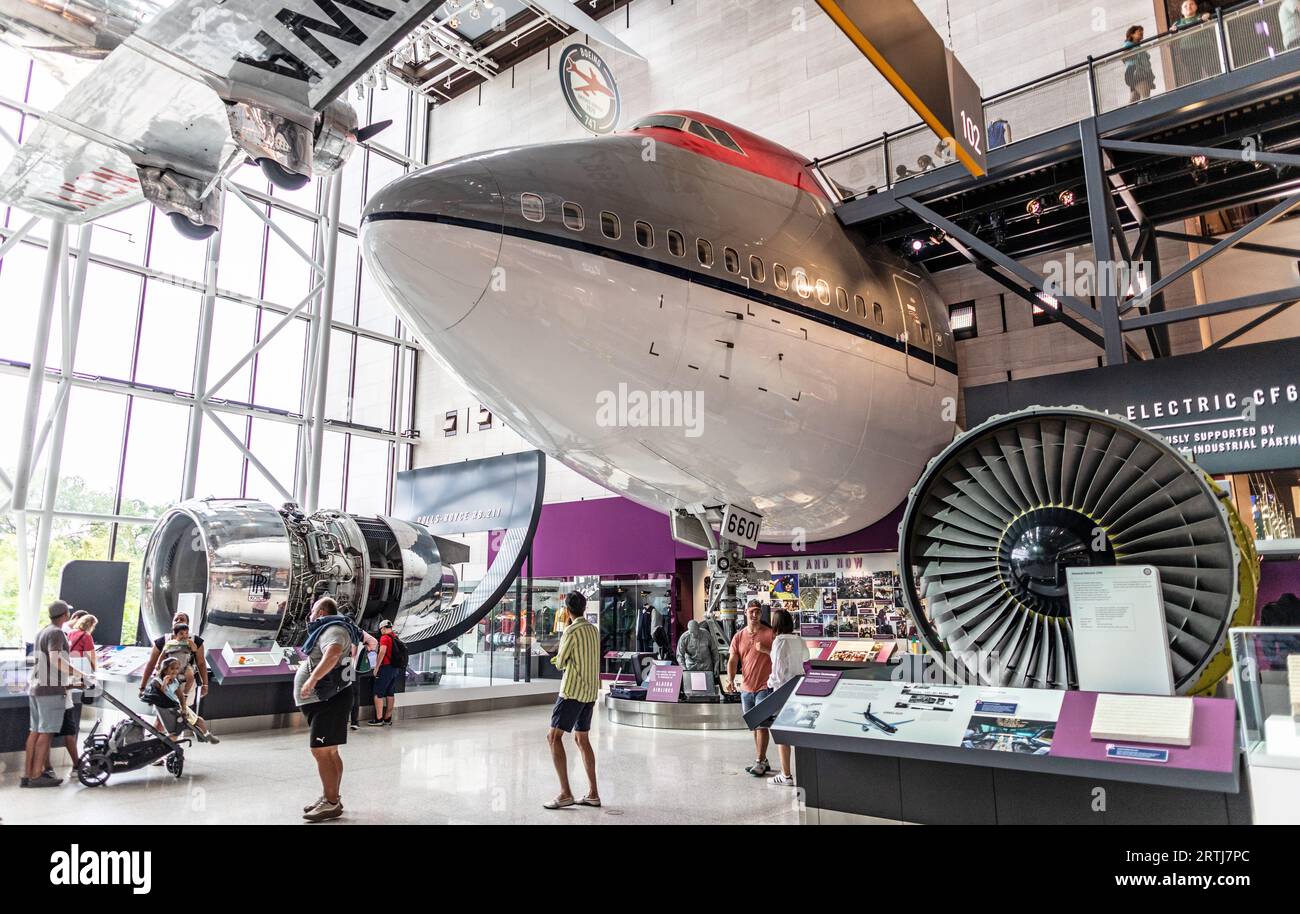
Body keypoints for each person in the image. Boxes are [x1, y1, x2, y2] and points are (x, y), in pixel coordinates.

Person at [295, 596, 361, 822]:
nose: (310, 615)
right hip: (327, 700)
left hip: (328, 700)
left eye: (313, 610)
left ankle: (331, 803)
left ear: (321, 612)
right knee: (330, 751)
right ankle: (330, 796)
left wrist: (311, 681)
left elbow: (332, 654)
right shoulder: (332, 628)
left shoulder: (333, 629)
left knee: (322, 751)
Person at [544, 591, 601, 811]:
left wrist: (555, 657)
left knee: (553, 737)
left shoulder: (571, 630)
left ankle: (565, 793)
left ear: (567, 610)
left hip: (572, 692)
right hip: (589, 694)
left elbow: (561, 662)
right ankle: (593, 793)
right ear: (584, 608)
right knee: (582, 739)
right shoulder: (593, 630)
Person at [24, 601, 84, 788]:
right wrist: (80, 674)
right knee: (47, 731)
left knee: (35, 731)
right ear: (65, 615)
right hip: (50, 689)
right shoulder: (57, 633)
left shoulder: (42, 631)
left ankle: (28, 774)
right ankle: (36, 775)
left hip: (36, 686)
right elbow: (55, 659)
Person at [722, 599, 776, 777]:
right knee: (754, 725)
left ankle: (759, 761)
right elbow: (733, 660)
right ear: (745, 612)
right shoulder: (739, 636)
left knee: (762, 726)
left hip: (764, 687)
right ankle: (762, 759)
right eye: (751, 611)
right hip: (746, 689)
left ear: (761, 613)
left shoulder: (770, 634)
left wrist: (766, 650)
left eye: (757, 612)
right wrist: (730, 679)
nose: (754, 615)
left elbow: (779, 657)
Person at [759, 608, 810, 786]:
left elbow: (778, 672)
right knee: (799, 731)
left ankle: (786, 774)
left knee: (782, 734)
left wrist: (769, 682)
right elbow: (806, 658)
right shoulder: (798, 639)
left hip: (783, 692)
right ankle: (806, 773)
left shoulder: (779, 642)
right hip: (799, 689)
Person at [1170, 0, 1215, 86]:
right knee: (1194, 76)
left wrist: (1207, 17)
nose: (1189, 7)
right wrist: (1172, 32)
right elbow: (1170, 41)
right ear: (1182, 11)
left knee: (1212, 71)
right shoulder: (1178, 23)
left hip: (1205, 48)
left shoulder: (1202, 16)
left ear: (1196, 7)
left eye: (1191, 4)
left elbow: (1213, 25)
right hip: (1187, 51)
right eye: (1185, 6)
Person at [368, 619, 399, 727]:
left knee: (378, 693)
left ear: (383, 628)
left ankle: (379, 719)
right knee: (390, 693)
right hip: (395, 669)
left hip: (385, 668)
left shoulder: (385, 637)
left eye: (381, 629)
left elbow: (382, 652)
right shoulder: (395, 637)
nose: (380, 631)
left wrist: (376, 667)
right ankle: (388, 718)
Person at [351, 629, 378, 730]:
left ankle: (343, 721)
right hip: (356, 668)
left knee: (345, 693)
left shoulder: (346, 633)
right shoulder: (360, 633)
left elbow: (352, 653)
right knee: (355, 694)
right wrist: (367, 648)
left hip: (347, 667)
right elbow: (374, 642)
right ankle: (354, 721)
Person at [1121, 25, 1156, 102]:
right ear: (1131, 34)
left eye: (1142, 31)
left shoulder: (1138, 47)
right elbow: (1123, 57)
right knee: (1145, 96)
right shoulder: (1128, 45)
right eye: (1139, 31)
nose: (1141, 32)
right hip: (1135, 71)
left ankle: (1129, 113)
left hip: (1137, 72)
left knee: (1135, 97)